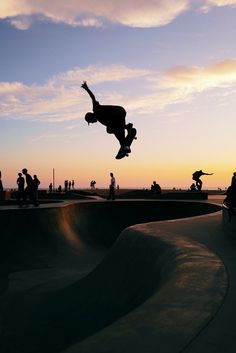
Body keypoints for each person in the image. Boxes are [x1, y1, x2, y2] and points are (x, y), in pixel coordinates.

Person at [81, 81, 134, 153]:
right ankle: (125, 141)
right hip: (120, 111)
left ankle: (124, 144)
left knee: (111, 129)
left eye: (91, 121)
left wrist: (87, 89)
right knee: (115, 130)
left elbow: (92, 97)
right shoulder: (101, 118)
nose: (93, 123)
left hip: (117, 113)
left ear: (91, 117)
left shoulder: (96, 109)